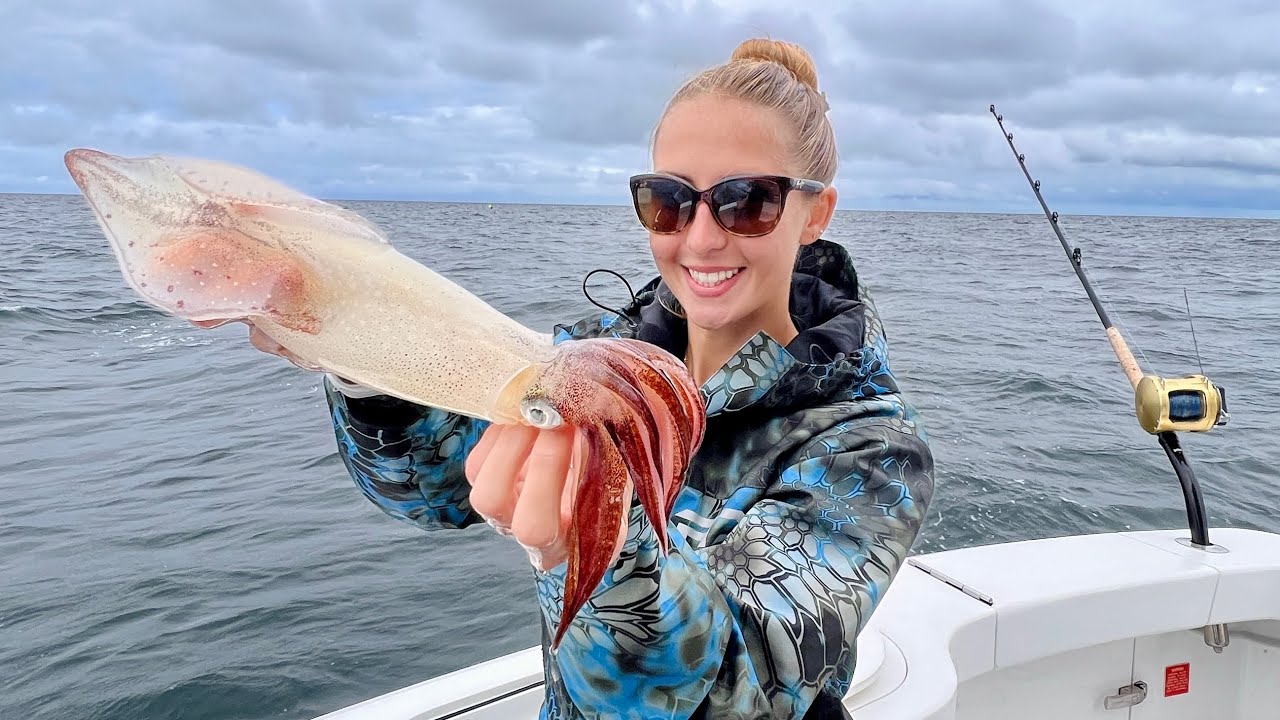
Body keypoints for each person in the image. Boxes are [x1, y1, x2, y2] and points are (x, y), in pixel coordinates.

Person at [260, 38, 935, 720]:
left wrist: (588, 549)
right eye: (669, 201)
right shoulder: (589, 359)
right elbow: (432, 491)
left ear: (815, 213)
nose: (700, 238)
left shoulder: (871, 450)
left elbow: (735, 692)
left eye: (746, 201)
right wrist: (360, 354)